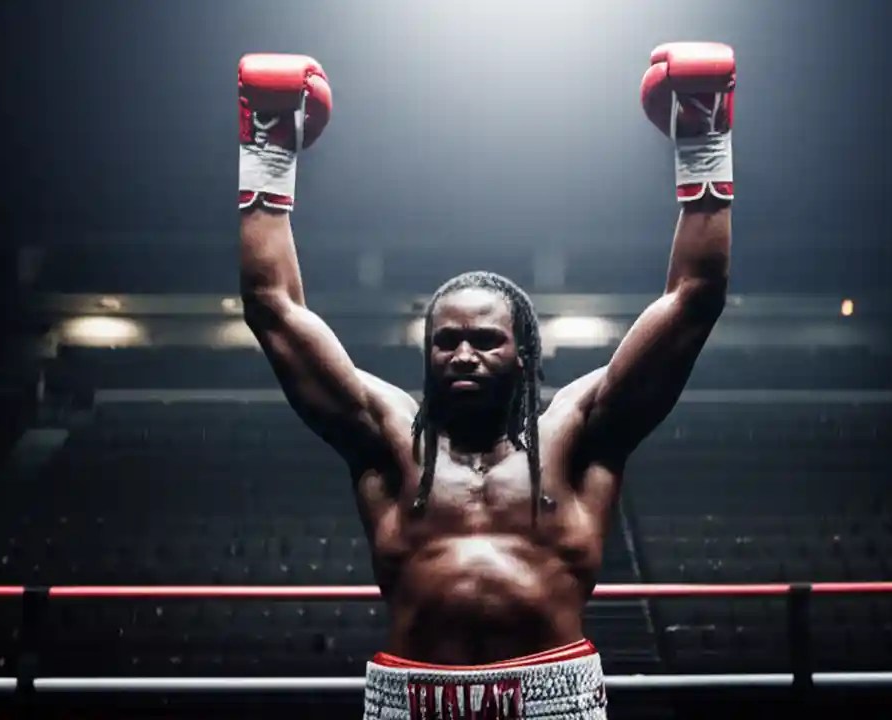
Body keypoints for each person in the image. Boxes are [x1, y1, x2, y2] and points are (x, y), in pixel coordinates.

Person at [238, 43, 733, 720]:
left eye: (486, 339)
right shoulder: (387, 438)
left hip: (551, 700)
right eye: (446, 340)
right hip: (411, 701)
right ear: (426, 353)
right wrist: (269, 158)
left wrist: (705, 142)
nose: (463, 354)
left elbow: (693, 300)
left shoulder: (579, 434)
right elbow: (275, 311)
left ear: (524, 355)